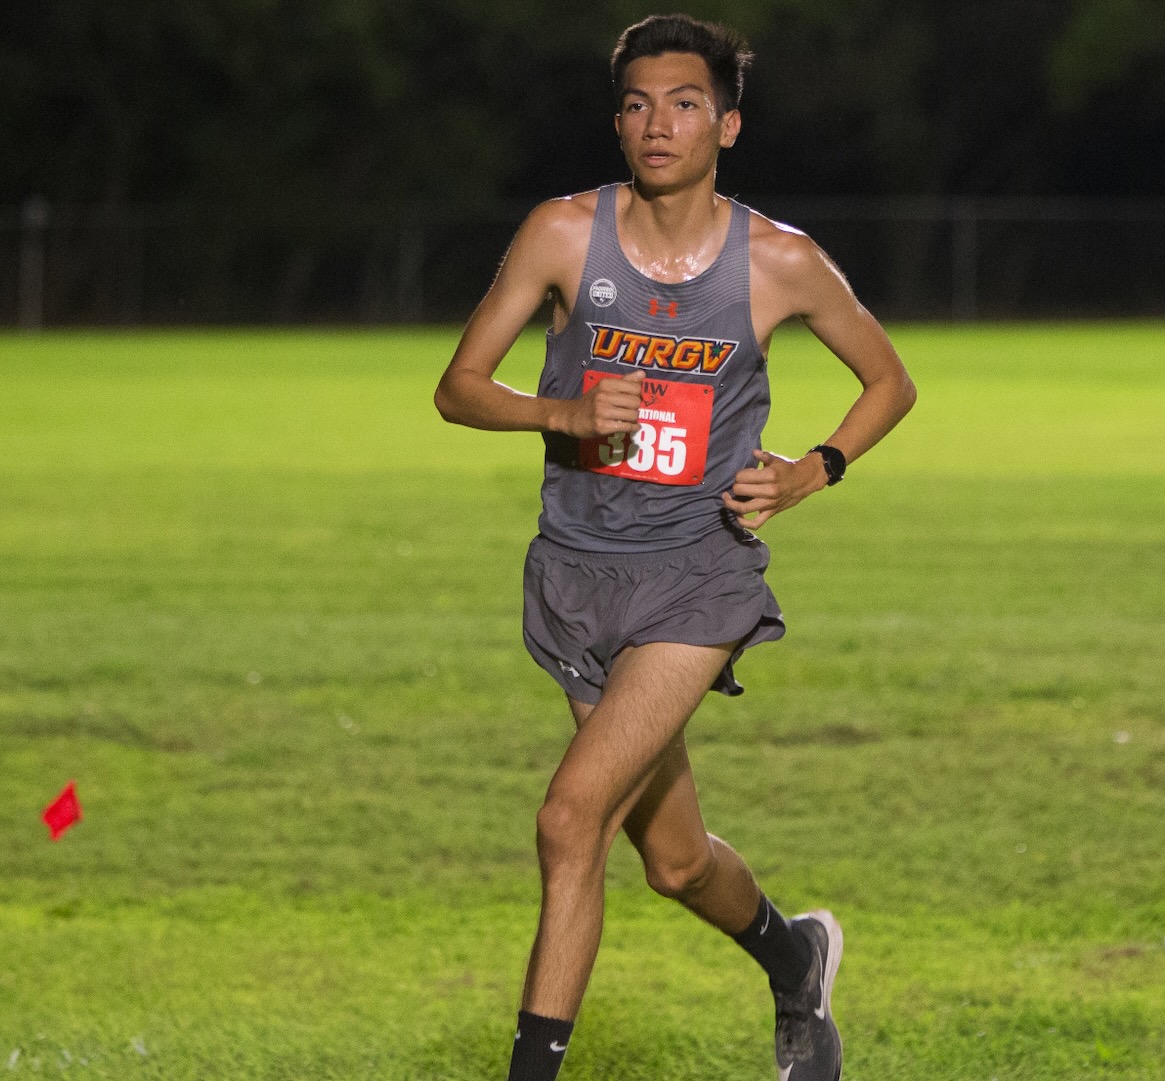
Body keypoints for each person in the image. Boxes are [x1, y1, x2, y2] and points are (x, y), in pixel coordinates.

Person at [434, 14, 915, 1081]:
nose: (660, 124)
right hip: (575, 574)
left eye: (686, 104)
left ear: (727, 125)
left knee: (570, 820)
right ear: (618, 123)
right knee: (675, 860)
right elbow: (458, 388)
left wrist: (811, 470)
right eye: (639, 105)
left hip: (697, 575)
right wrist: (560, 413)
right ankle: (795, 959)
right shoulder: (562, 234)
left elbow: (890, 381)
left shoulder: (779, 259)